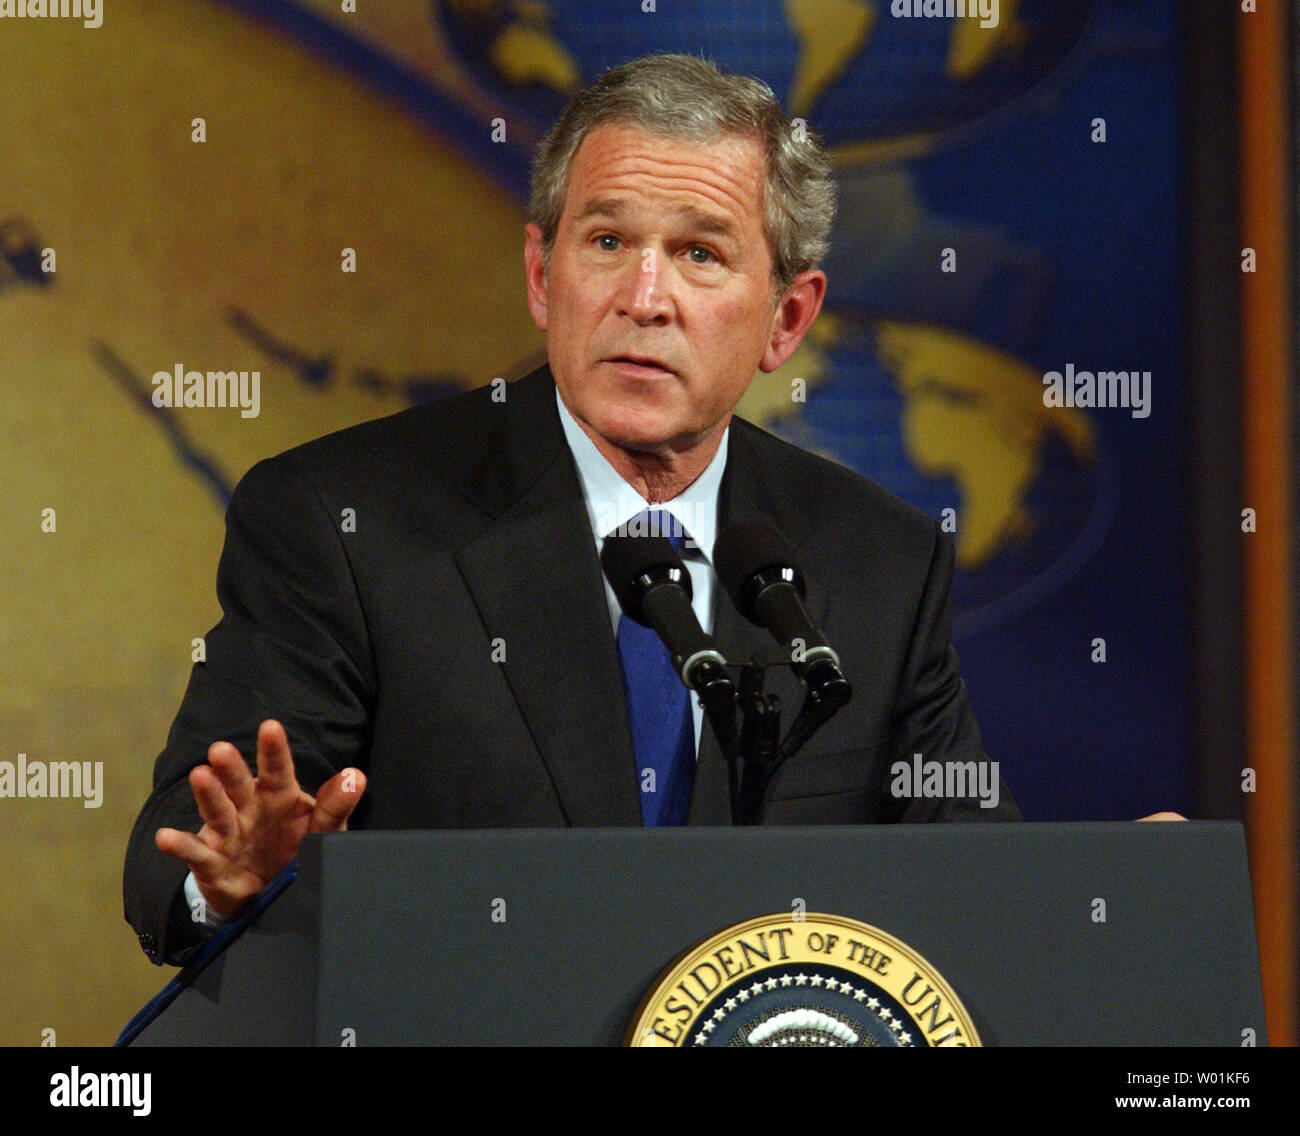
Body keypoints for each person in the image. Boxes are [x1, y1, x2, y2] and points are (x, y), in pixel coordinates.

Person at [124, 53, 1023, 968]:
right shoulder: (341, 521)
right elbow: (177, 858)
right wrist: (231, 876)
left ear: (787, 321)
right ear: (542, 276)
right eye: (606, 244)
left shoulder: (878, 562)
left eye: (700, 255)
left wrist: (1115, 886)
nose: (643, 300)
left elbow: (969, 878)